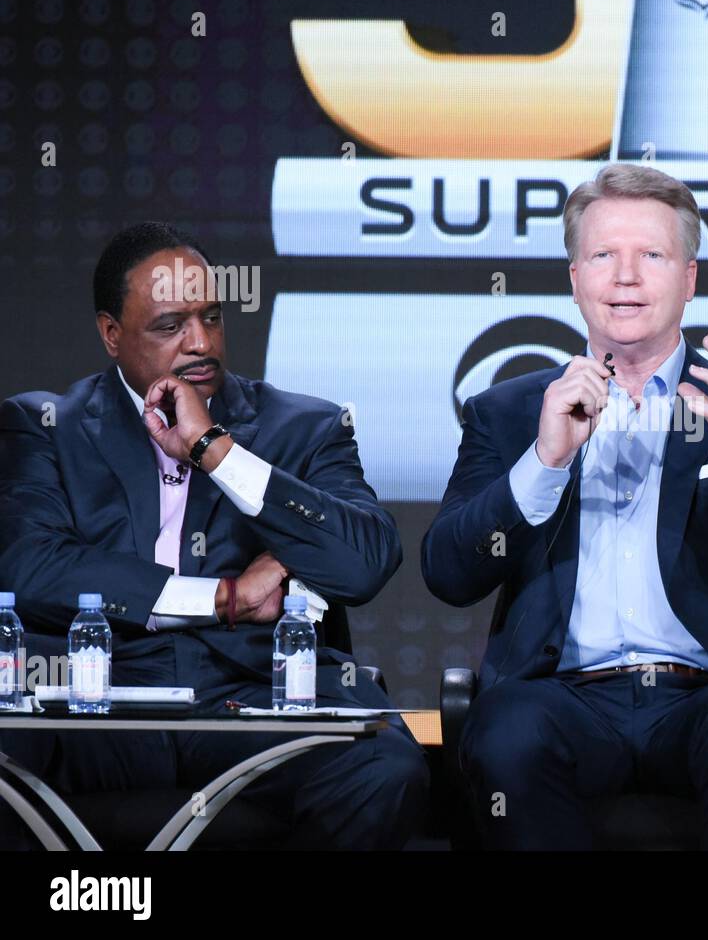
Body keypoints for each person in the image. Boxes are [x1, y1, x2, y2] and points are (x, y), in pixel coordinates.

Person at [422, 164, 708, 849]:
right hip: (563, 694)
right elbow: (448, 574)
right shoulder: (508, 413)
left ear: (689, 278)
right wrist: (545, 461)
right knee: (508, 731)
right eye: (603, 255)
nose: (625, 276)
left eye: (650, 255)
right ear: (574, 278)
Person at [0, 222, 428, 848]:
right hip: (97, 700)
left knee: (384, 767)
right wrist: (225, 598)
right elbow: (32, 568)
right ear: (110, 334)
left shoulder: (305, 428)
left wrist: (215, 450)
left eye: (211, 317)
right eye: (170, 326)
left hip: (255, 702)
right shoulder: (46, 427)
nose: (200, 343)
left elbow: (364, 563)